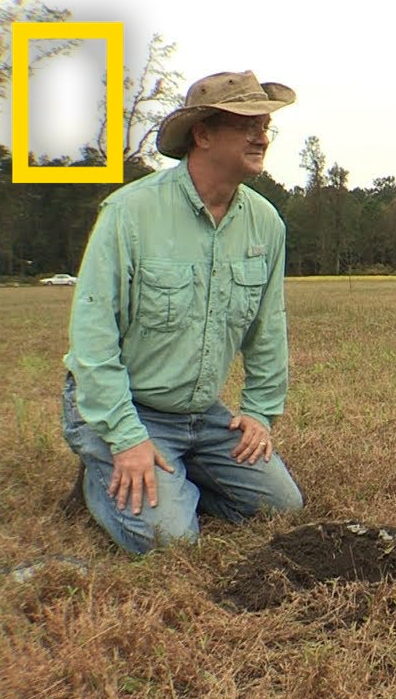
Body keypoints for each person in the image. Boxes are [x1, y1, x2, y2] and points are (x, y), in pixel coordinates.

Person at [60, 70, 304, 554]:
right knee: (171, 539)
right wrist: (127, 438)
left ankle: (174, 473)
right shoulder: (129, 213)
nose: (262, 136)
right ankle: (100, 473)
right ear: (204, 134)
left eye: (265, 125)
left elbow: (268, 329)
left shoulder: (265, 223)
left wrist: (258, 411)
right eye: (246, 124)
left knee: (283, 507)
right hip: (127, 408)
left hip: (201, 415)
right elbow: (92, 338)